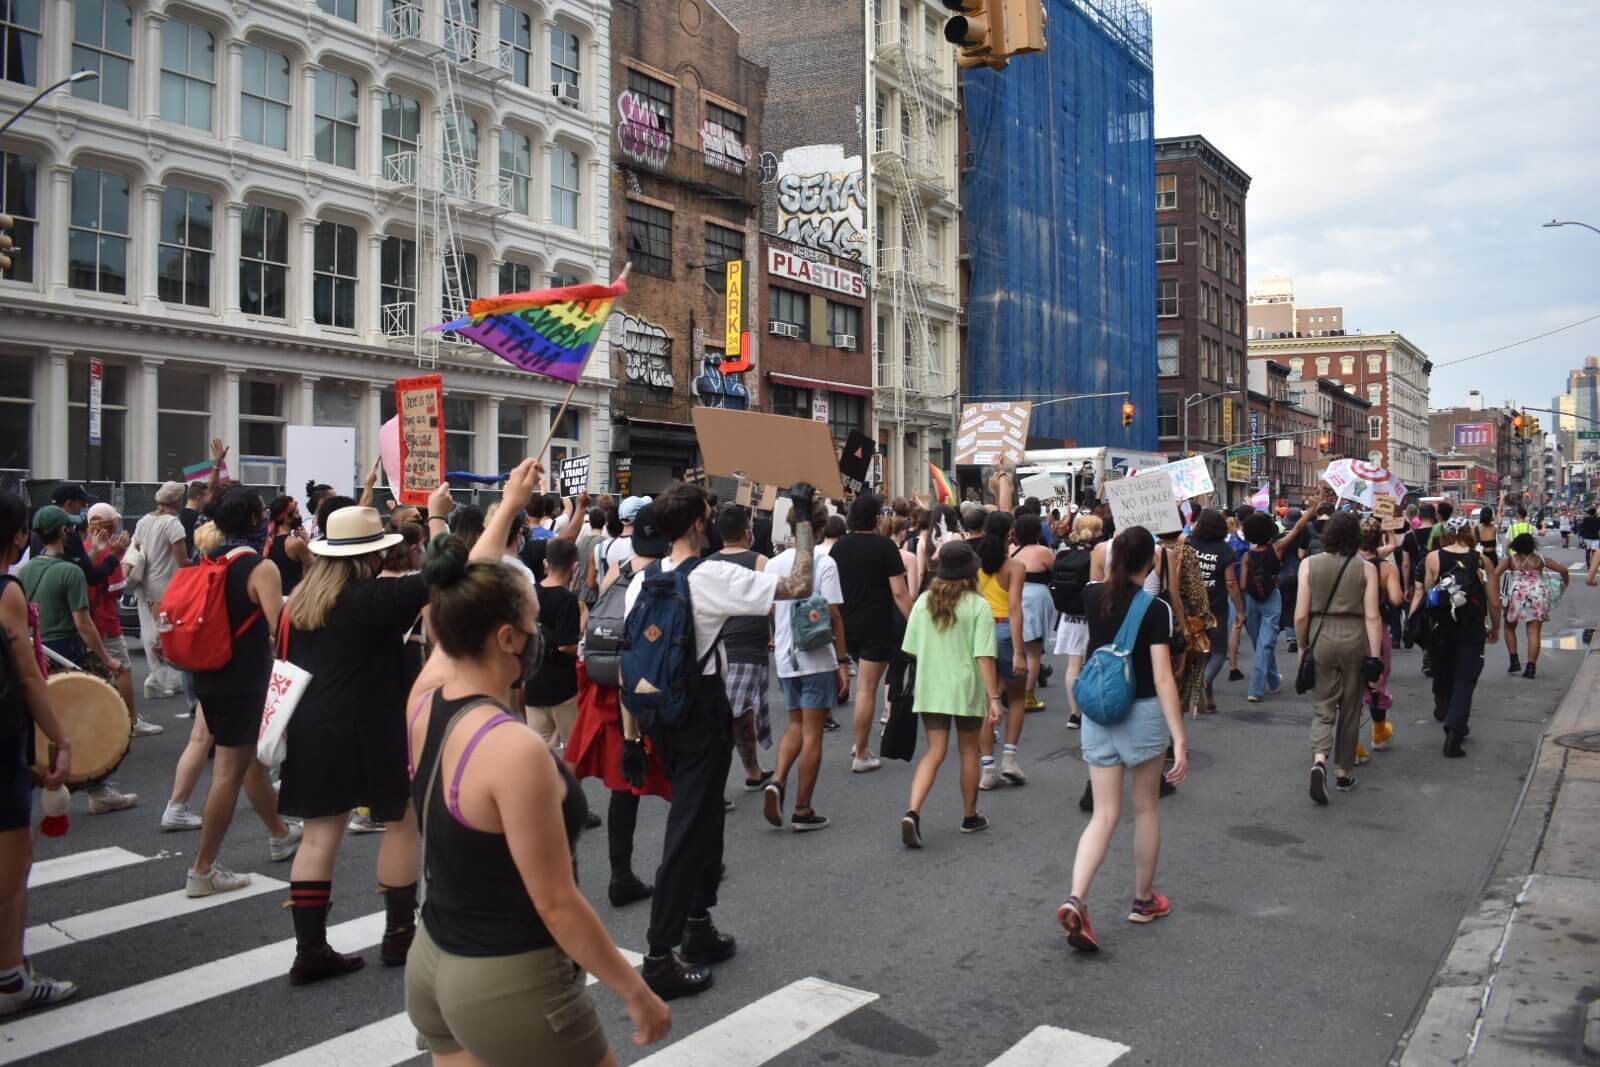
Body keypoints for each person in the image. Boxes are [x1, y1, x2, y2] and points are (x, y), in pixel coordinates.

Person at [403, 533, 671, 1064]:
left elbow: (455, 600)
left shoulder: (423, 699)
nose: (537, 636)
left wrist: (504, 510)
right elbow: (557, 902)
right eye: (532, 625)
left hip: (432, 960)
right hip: (509, 975)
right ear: (507, 638)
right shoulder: (514, 749)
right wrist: (634, 990)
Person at [620, 481, 818, 999]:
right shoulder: (711, 576)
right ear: (697, 525)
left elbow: (633, 657)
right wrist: (800, 520)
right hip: (703, 708)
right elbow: (798, 585)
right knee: (688, 828)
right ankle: (661, 954)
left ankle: (698, 923)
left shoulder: (643, 580)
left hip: (661, 711)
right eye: (707, 512)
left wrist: (632, 734)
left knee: (704, 816)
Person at [275, 476, 469, 984]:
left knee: (319, 837)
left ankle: (310, 950)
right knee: (400, 821)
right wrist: (439, 515)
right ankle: (398, 936)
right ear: (373, 554)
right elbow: (447, 572)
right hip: (372, 724)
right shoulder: (372, 599)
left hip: (312, 723)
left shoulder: (298, 601)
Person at [1057, 527, 1189, 952]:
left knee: (1104, 814)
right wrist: (1179, 737)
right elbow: (1165, 677)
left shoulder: (1094, 595)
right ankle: (1144, 900)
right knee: (1146, 807)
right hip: (1142, 710)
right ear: (1150, 562)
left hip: (1098, 710)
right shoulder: (1156, 608)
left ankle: (1077, 896)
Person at [185, 488, 302, 892]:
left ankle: (279, 832)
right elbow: (278, 626)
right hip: (244, 677)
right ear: (256, 519)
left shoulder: (211, 558)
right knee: (228, 771)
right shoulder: (258, 566)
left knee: (249, 760)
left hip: (209, 672)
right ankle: (202, 870)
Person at [567, 504, 670, 909]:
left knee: (623, 788)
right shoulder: (664, 581)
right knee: (686, 783)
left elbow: (590, 617)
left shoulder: (618, 569)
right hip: (646, 694)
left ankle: (621, 873)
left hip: (606, 689)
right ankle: (693, 868)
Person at [0, 493, 77, 1016]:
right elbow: (28, 675)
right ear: (18, 536)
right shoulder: (5, 589)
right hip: (1, 740)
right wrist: (62, 737)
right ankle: (10, 977)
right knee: (12, 861)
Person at [20, 506, 137, 815]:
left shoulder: (28, 568)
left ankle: (37, 780)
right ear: (63, 532)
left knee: (40, 721)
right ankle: (98, 788)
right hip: (66, 651)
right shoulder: (70, 572)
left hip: (39, 650)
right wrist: (106, 658)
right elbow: (84, 624)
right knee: (86, 718)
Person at [898, 540, 1003, 847]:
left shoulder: (923, 602)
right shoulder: (978, 605)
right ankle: (970, 816)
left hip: (931, 686)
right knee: (969, 751)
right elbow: (985, 655)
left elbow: (911, 648)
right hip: (965, 686)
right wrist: (994, 697)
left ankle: (913, 811)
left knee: (934, 752)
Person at [763, 499, 846, 833]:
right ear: (821, 528)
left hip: (785, 656)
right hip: (816, 656)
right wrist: (842, 661)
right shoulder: (824, 562)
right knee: (813, 732)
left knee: (795, 725)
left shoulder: (773, 564)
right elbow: (834, 614)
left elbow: (771, 608)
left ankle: (778, 780)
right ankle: (802, 808)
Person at [1294, 513, 1385, 803]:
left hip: (1321, 634)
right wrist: (1375, 656)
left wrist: (1301, 645)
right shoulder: (1367, 569)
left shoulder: (1308, 564)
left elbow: (1299, 614)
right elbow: (1373, 616)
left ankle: (1319, 758)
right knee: (1351, 707)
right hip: (1354, 635)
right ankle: (1344, 771)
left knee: (1323, 703)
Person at [829, 494, 913, 774]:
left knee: (865, 686)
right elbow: (899, 592)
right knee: (867, 689)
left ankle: (860, 742)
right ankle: (860, 751)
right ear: (876, 519)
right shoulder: (885, 547)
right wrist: (915, 621)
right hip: (877, 625)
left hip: (846, 625)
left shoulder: (838, 548)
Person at [525, 539, 597, 824]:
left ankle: (540, 804)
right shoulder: (567, 600)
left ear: (545, 564)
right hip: (563, 686)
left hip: (533, 682)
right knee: (573, 748)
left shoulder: (530, 593)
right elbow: (568, 645)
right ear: (574, 567)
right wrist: (581, 625)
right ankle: (571, 806)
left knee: (540, 749)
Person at [1426, 516, 1502, 759]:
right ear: (1470, 532)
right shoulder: (1481, 560)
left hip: (1442, 627)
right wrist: (1495, 626)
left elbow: (1430, 595)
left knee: (1445, 672)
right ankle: (1454, 729)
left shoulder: (1433, 557)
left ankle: (1449, 711)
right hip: (1471, 626)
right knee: (1466, 678)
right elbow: (1494, 601)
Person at [83, 503, 160, 739]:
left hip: (86, 618)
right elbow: (117, 588)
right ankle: (131, 720)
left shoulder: (83, 547)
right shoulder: (108, 551)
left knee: (90, 672)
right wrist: (120, 560)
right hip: (114, 615)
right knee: (123, 667)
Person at [712, 506, 774, 795]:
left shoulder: (707, 564)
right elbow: (774, 601)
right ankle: (722, 782)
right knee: (739, 715)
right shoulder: (759, 561)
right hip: (749, 646)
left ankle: (753, 771)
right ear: (747, 533)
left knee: (738, 713)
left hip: (717, 647)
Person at [975, 511, 1028, 788]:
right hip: (1006, 630)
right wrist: (1020, 651)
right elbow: (1015, 608)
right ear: (1010, 533)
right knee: (1017, 698)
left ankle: (987, 768)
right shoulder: (1015, 567)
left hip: (982, 631)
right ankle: (1009, 758)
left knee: (988, 698)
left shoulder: (976, 565)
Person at [1237, 508, 1312, 702]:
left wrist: (1240, 608)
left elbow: (1243, 584)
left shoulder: (1247, 556)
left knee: (1260, 644)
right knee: (1265, 644)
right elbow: (1297, 528)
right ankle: (1256, 689)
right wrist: (1312, 508)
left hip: (1252, 601)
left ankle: (1272, 680)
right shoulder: (1276, 548)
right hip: (1271, 598)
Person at [130, 481, 192, 699]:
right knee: (166, 632)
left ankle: (159, 678)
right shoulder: (173, 524)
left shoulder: (144, 521)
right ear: (177, 501)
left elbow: (135, 548)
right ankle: (162, 680)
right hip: (165, 588)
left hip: (144, 585)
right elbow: (182, 560)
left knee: (151, 631)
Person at [1184, 508, 1242, 714]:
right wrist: (1240, 609)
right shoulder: (1225, 550)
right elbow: (1230, 582)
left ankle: (1209, 701)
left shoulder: (1188, 544)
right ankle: (1203, 684)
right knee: (1218, 651)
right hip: (1215, 607)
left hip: (1191, 606)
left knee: (1201, 651)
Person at [1357, 518, 1404, 752]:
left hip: (1348, 627)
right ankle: (1378, 732)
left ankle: (1352, 744)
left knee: (1349, 686)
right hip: (1375, 629)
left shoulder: (1345, 562)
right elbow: (1396, 599)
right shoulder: (1385, 567)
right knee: (1376, 682)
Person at [1497, 532, 1568, 680]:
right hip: (1538, 595)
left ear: (1515, 545)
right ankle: (1531, 667)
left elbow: (1494, 574)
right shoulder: (1540, 559)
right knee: (1533, 632)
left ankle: (1514, 660)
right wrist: (1564, 584)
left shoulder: (1510, 560)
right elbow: (1563, 570)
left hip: (1518, 595)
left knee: (1509, 627)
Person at [1052, 514, 1100, 729]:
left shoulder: (1063, 554)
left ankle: (1074, 714)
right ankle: (1092, 709)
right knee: (1094, 665)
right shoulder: (1098, 555)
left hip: (1069, 617)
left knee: (1073, 666)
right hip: (1093, 616)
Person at [1011, 514, 1055, 714]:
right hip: (1036, 600)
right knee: (1033, 651)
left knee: (1016, 646)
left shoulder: (1011, 551)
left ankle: (1012, 691)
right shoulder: (1043, 552)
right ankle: (1028, 695)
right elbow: (1056, 571)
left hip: (1014, 598)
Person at [264, 495, 313, 597]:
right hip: (294, 599)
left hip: (275, 597)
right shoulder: (295, 543)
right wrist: (308, 541)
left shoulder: (268, 541)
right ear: (286, 518)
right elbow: (315, 567)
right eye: (296, 513)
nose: (299, 516)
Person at [179, 481, 209, 558]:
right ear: (198, 497)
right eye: (206, 496)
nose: (208, 500)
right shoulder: (200, 519)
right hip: (193, 560)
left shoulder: (178, 515)